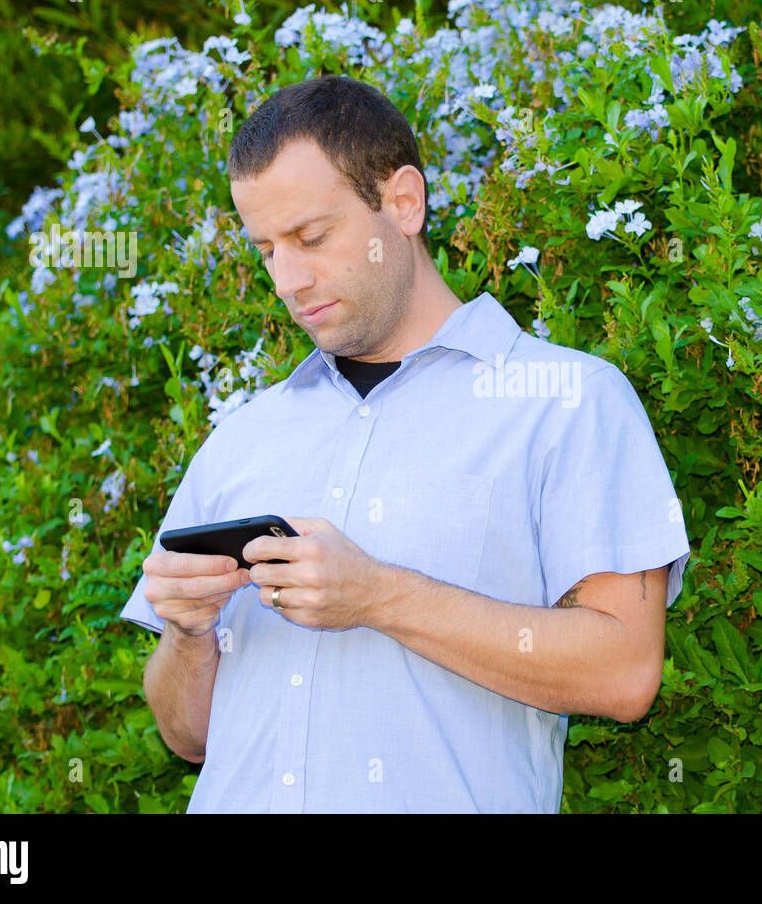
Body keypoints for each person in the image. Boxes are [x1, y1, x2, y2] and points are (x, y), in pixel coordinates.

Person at [118, 74, 691, 812]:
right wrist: (190, 634)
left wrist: (378, 594)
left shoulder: (568, 402)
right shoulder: (242, 436)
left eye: (311, 237)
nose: (288, 279)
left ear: (404, 203)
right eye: (265, 249)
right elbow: (187, 736)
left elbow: (625, 672)